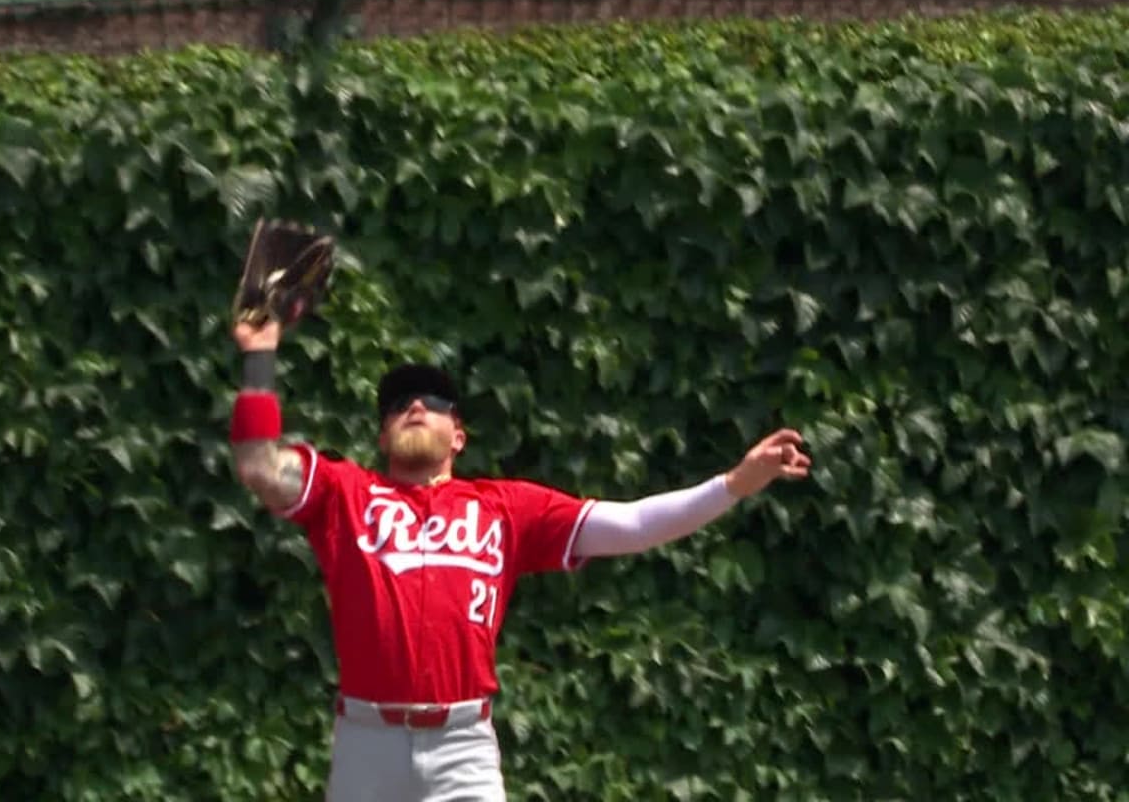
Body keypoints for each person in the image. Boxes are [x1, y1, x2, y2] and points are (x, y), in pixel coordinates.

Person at [227, 314, 812, 802]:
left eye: (431, 401)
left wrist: (733, 483)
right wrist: (260, 358)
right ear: (382, 437)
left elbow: (633, 524)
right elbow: (259, 467)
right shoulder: (344, 494)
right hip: (366, 742)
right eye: (397, 403)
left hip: (462, 747)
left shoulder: (505, 508)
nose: (412, 407)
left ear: (459, 435)